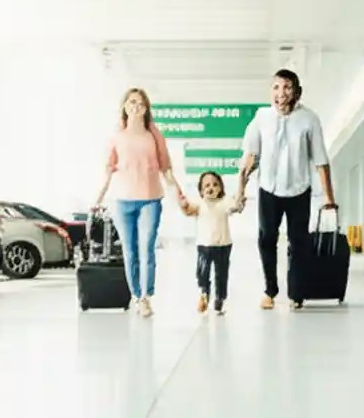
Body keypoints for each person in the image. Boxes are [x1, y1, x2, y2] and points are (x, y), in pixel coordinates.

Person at [237, 69, 336, 311]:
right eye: (276, 88)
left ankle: (296, 292)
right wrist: (240, 191)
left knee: (299, 242)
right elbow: (249, 156)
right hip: (269, 189)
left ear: (297, 92)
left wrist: (329, 198)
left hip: (299, 190)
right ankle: (270, 290)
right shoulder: (261, 117)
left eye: (287, 87)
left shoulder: (309, 119)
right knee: (266, 239)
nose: (281, 93)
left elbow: (321, 160)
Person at [93, 88, 186, 318]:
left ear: (146, 108)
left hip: (150, 200)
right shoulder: (116, 136)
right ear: (125, 106)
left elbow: (166, 169)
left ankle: (146, 296)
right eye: (131, 102)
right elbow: (107, 171)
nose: (136, 106)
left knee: (147, 248)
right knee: (129, 251)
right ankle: (136, 294)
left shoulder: (153, 135)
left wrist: (179, 193)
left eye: (140, 103)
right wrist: (97, 199)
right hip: (123, 201)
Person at [178, 171, 244, 315]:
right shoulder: (199, 203)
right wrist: (183, 205)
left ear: (220, 188)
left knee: (222, 274)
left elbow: (236, 205)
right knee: (202, 272)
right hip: (204, 245)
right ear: (201, 190)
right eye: (206, 186)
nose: (211, 188)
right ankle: (204, 293)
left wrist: (241, 187)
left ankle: (220, 299)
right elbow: (189, 210)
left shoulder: (225, 201)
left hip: (223, 245)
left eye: (215, 185)